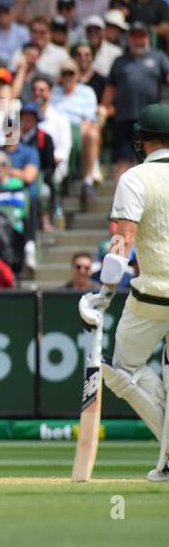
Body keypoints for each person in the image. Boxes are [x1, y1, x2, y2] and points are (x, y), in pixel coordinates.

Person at [81, 104, 169, 482]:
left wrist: (104, 293)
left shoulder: (135, 178)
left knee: (123, 369)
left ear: (142, 139)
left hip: (154, 294)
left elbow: (123, 243)